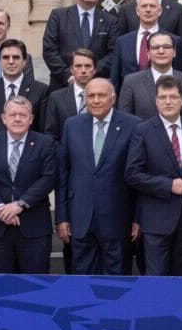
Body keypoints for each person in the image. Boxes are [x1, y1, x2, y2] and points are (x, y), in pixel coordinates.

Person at [55, 77, 142, 275]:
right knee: (82, 283)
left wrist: (137, 218)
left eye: (101, 95)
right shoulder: (72, 125)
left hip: (118, 219)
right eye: (91, 96)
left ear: (113, 98)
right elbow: (64, 173)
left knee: (117, 284)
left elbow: (137, 175)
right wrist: (62, 217)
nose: (95, 100)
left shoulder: (133, 124)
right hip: (80, 218)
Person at [124, 75, 182, 276]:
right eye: (163, 97)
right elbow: (132, 174)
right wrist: (168, 185)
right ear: (156, 100)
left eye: (173, 97)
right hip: (156, 220)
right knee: (157, 280)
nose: (168, 101)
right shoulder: (142, 131)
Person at [0, 96, 58, 274]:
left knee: (35, 286)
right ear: (4, 118)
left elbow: (49, 178)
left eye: (22, 115)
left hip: (33, 227)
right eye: (13, 115)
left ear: (31, 119)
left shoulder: (45, 144)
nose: (18, 119)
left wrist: (20, 205)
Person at [42, 0, 123, 89]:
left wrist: (89, 72)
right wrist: (69, 75)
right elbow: (49, 50)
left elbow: (114, 53)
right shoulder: (58, 16)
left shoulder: (110, 21)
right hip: (64, 85)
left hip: (97, 87)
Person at [112, 0, 182, 84]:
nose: (148, 10)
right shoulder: (122, 42)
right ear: (137, 11)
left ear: (160, 11)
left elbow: (181, 76)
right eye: (144, 6)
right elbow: (116, 79)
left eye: (152, 6)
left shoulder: (175, 41)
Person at [117, 31, 182, 120]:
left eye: (166, 47)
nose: (161, 51)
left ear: (174, 52)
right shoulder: (131, 81)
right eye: (155, 47)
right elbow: (125, 118)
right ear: (148, 53)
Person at [0, 38, 47, 136]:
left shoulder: (41, 90)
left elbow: (43, 130)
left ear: (24, 62)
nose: (11, 61)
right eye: (6, 57)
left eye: (16, 57)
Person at [44, 48, 97, 140]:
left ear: (95, 70)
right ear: (71, 70)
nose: (83, 70)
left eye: (88, 66)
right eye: (78, 66)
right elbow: (50, 134)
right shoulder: (57, 98)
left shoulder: (104, 96)